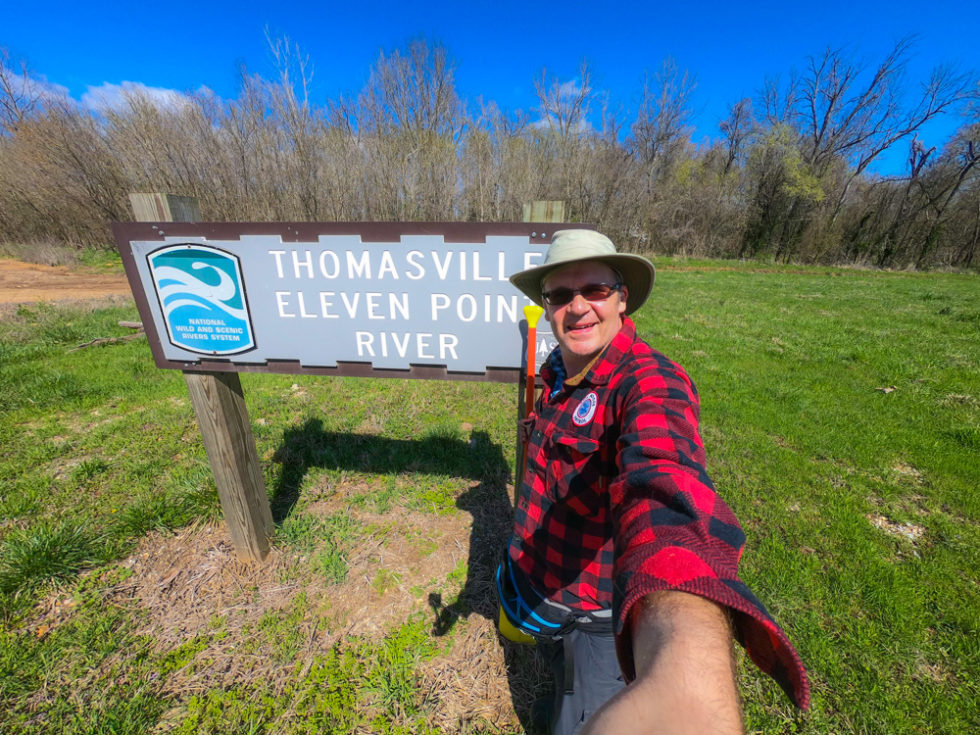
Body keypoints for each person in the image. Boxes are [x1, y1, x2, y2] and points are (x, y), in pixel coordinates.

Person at [498, 229, 809, 734]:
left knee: (579, 721)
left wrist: (683, 653)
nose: (576, 307)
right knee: (558, 687)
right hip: (543, 590)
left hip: (594, 618)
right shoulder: (558, 366)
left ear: (622, 298)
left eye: (594, 290)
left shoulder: (649, 382)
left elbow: (664, 482)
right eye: (559, 294)